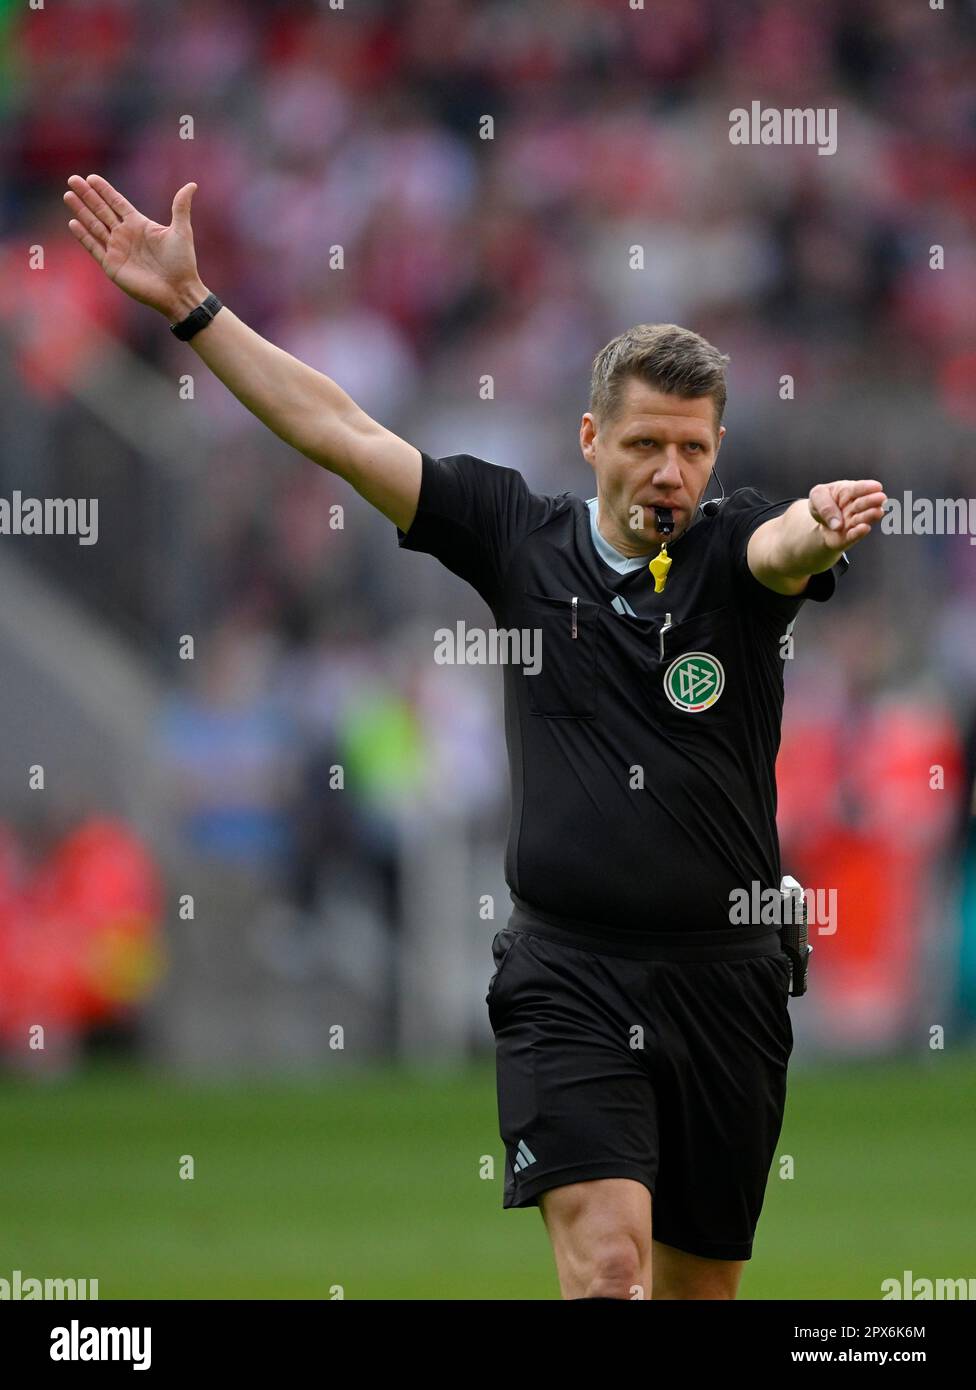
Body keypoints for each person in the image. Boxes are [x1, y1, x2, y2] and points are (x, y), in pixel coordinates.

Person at [63, 174, 887, 1300]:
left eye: (693, 449)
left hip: (725, 982)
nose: (670, 473)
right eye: (645, 443)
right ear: (590, 436)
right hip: (570, 975)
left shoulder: (733, 549)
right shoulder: (516, 537)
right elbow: (342, 433)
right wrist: (196, 306)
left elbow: (783, 548)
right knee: (607, 1272)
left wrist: (818, 519)